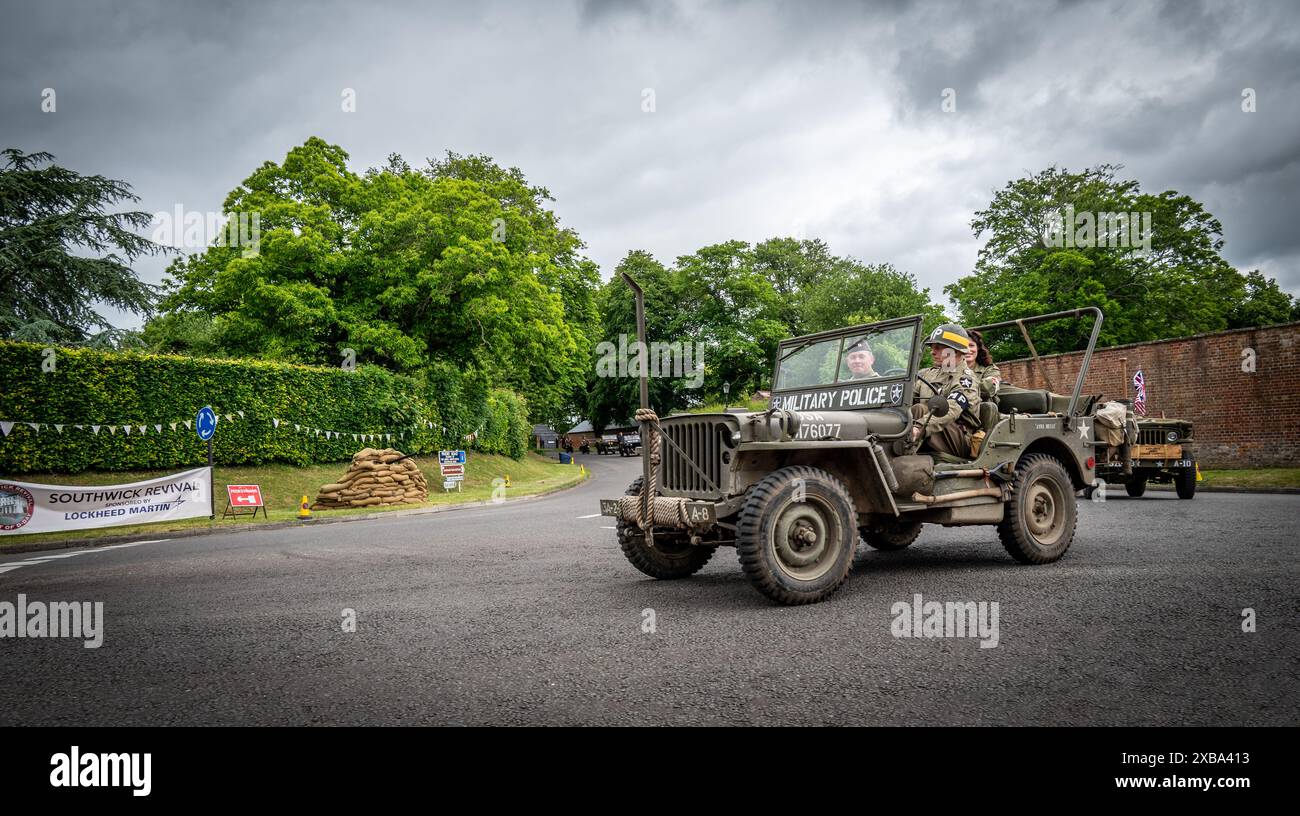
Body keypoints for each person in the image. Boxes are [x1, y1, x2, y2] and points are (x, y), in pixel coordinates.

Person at [907, 324, 981, 458]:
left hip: (958, 439)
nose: (932, 352)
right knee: (912, 408)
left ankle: (905, 452)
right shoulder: (930, 375)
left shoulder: (966, 379)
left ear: (955, 351)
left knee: (921, 409)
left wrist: (918, 427)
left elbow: (952, 409)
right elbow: (908, 397)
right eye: (932, 347)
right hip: (930, 430)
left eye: (938, 347)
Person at [964, 328, 1001, 400]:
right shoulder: (949, 369)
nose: (968, 350)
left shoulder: (990, 369)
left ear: (978, 348)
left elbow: (988, 388)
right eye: (963, 346)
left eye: (971, 345)